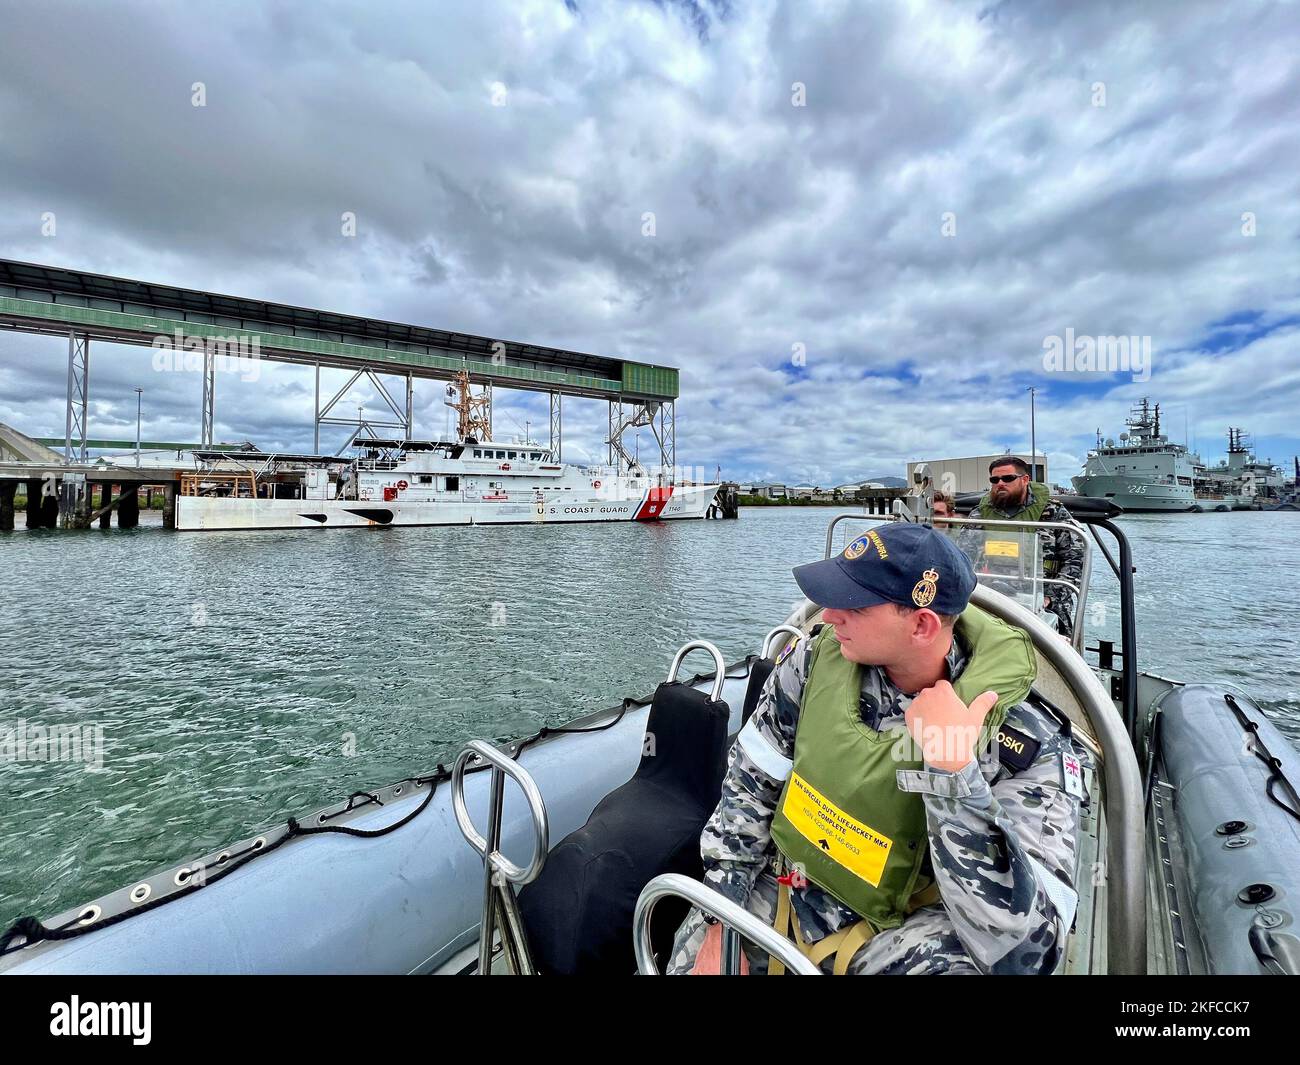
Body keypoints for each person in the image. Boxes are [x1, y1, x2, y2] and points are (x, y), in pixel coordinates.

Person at [667, 521, 1090, 975]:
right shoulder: (812, 664)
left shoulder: (1028, 742)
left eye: (854, 605)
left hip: (904, 937)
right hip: (783, 888)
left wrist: (953, 773)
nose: (828, 616)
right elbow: (748, 786)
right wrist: (720, 921)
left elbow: (1028, 954)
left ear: (923, 625)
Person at [960, 457, 1083, 637]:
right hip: (991, 596)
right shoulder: (980, 513)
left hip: (1044, 601)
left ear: (1025, 480)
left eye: (1007, 479)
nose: (1000, 484)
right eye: (995, 480)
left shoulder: (1054, 513)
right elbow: (963, 554)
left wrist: (1049, 597)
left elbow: (1075, 560)